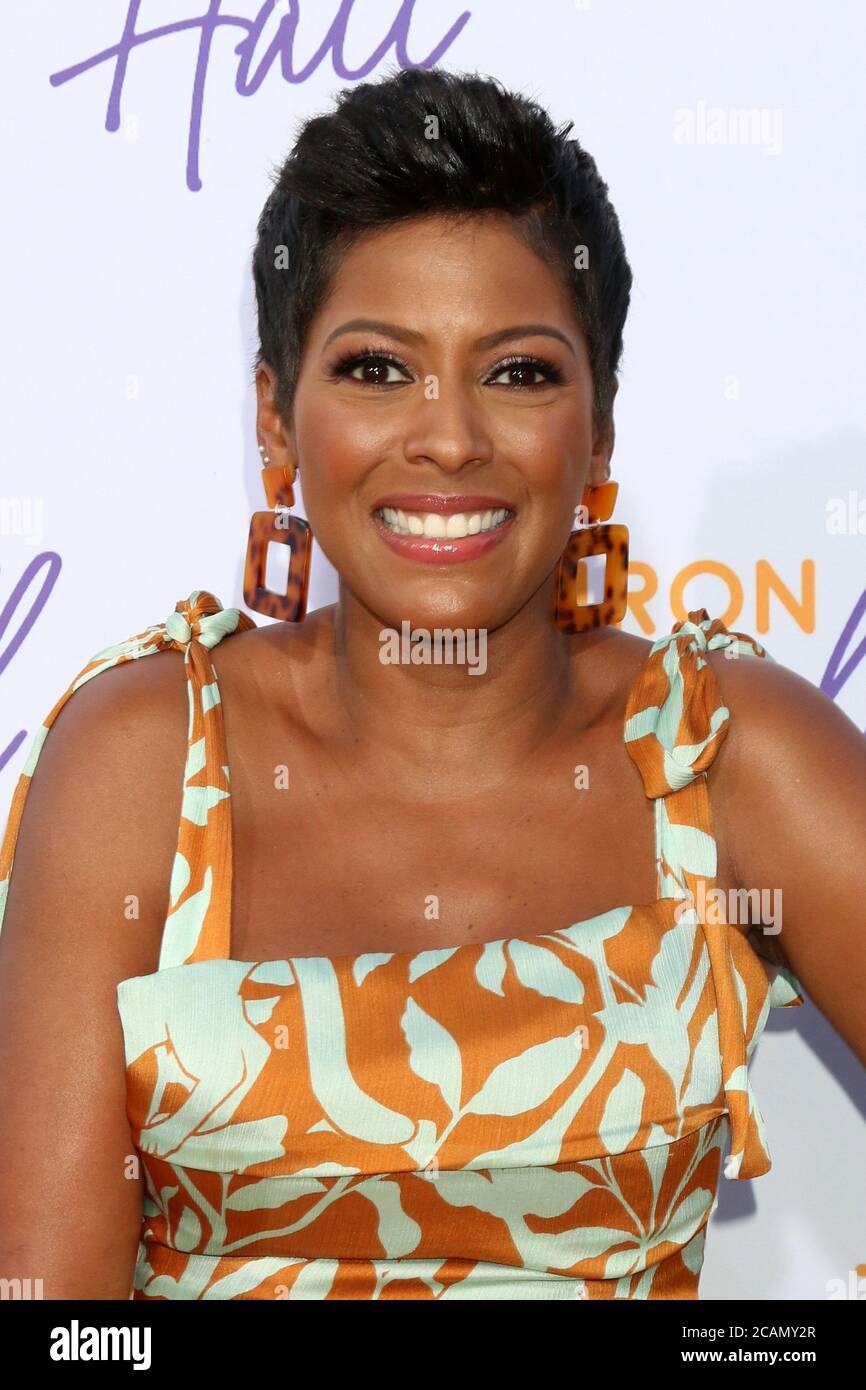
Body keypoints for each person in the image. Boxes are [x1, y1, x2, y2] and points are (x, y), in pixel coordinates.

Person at [0, 67, 863, 1302]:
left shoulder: (722, 748)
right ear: (275, 420)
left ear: (599, 428)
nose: (449, 437)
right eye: (375, 368)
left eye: (516, 373)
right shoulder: (146, 756)